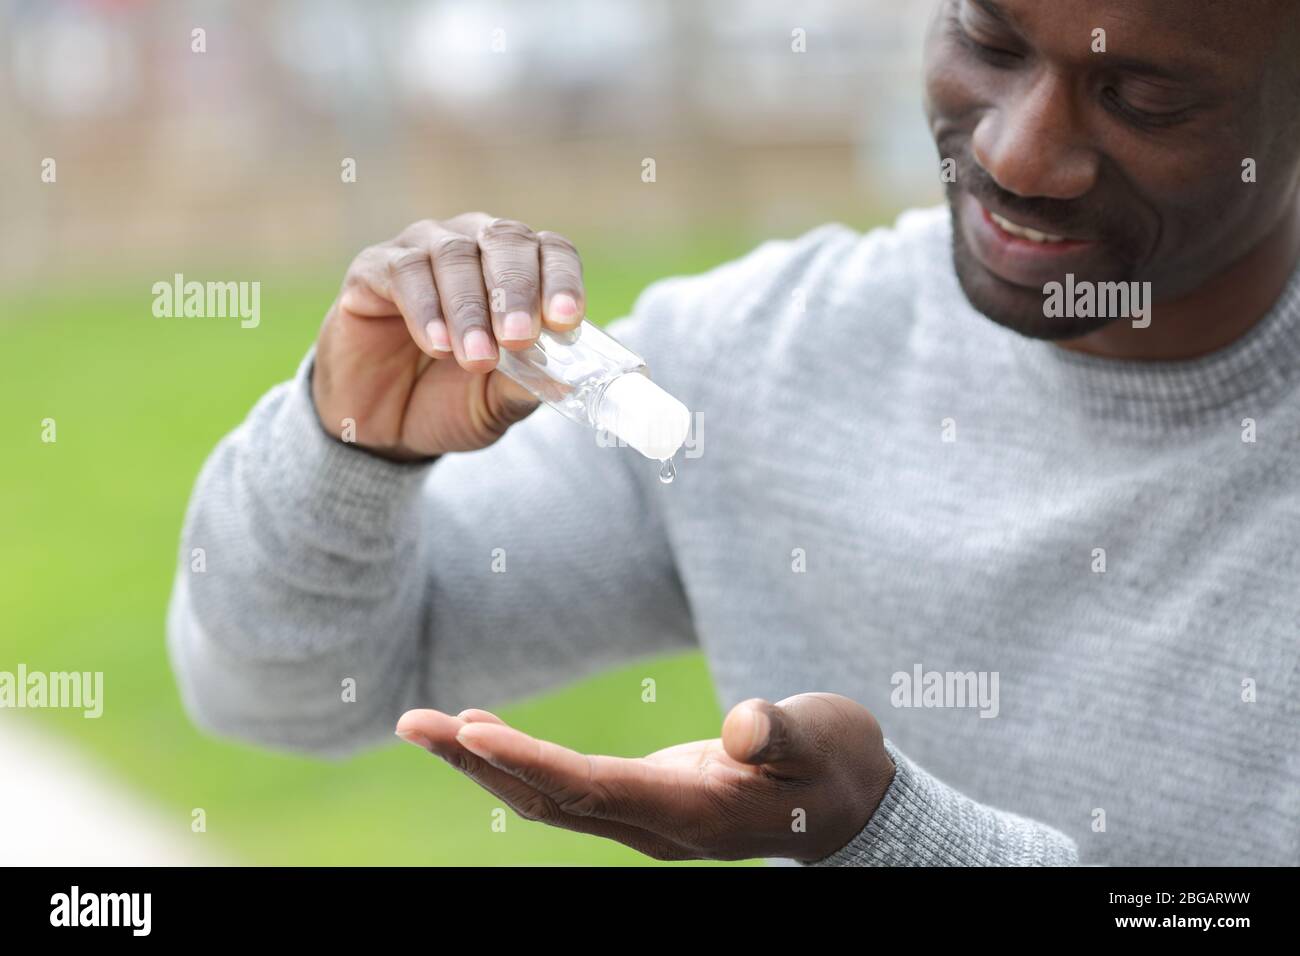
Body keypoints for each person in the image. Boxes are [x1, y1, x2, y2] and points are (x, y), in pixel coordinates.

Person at [167, 0, 1300, 865]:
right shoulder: (760, 355)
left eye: (1145, 99)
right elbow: (283, 693)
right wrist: (353, 445)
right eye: (988, 42)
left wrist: (889, 834)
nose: (1014, 154)